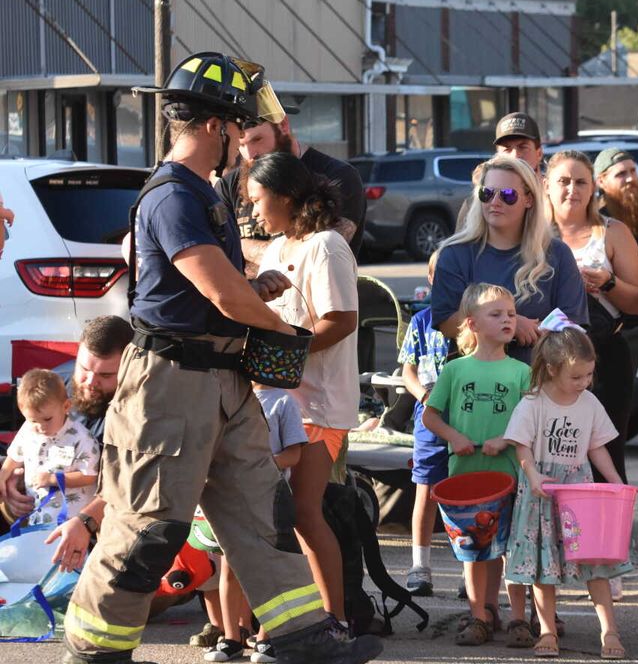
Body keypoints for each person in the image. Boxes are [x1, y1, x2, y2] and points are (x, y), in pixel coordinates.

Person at [64, 52, 380, 664]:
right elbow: (217, 289)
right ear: (216, 126)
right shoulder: (172, 196)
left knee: (263, 509)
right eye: (238, 128)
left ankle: (299, 635)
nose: (243, 142)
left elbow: (224, 285)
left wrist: (254, 289)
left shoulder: (206, 196)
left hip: (224, 380)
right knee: (149, 526)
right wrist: (279, 327)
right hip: (171, 386)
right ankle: (95, 646)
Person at [248, 151, 360, 631]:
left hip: (320, 404)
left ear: (286, 197)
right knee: (275, 515)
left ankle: (335, 620)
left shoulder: (327, 245)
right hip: (277, 401)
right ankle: (276, 622)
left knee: (303, 512)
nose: (254, 211)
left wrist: (291, 351)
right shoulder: (276, 249)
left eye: (258, 200)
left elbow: (342, 320)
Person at [504, 328, 629, 659]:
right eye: (576, 376)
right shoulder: (532, 402)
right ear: (551, 368)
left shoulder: (589, 402)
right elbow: (522, 445)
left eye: (588, 374)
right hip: (542, 493)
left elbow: (597, 446)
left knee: (595, 564)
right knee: (542, 567)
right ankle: (546, 630)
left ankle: (610, 630)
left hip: (579, 495)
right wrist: (532, 475)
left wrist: (614, 480)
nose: (584, 382)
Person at [421, 284, 532, 647]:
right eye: (496, 314)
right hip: (466, 476)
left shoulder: (520, 371)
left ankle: (517, 618)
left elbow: (532, 420)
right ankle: (479, 616)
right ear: (472, 323)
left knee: (509, 547)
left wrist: (510, 439)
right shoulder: (455, 370)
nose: (507, 320)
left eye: (511, 314)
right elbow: (430, 416)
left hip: (508, 474)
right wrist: (454, 436)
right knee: (474, 548)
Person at [543, 149, 638, 483]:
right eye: (563, 181)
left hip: (604, 356)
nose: (572, 189)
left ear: (593, 188)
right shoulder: (534, 234)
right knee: (549, 450)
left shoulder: (612, 231)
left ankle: (608, 531)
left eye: (580, 182)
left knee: (605, 451)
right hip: (546, 355)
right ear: (547, 186)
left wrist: (608, 282)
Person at [432, 156, 587, 365]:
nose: (495, 202)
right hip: (477, 383)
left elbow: (571, 325)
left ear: (529, 199)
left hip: (540, 381)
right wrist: (511, 324)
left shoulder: (557, 254)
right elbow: (446, 323)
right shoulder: (454, 253)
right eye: (487, 193)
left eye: (507, 195)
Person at [216, 62, 365, 275]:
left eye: (257, 139)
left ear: (283, 126)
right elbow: (216, 252)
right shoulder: (229, 185)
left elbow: (320, 255)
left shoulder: (337, 176)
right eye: (240, 145)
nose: (249, 154)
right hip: (248, 305)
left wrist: (243, 245)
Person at [206, 387, 308, 663]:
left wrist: (258, 465)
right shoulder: (225, 397)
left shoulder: (283, 401)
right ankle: (231, 637)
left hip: (267, 496)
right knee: (229, 568)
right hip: (229, 497)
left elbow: (293, 454)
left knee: (268, 568)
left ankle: (267, 637)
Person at [3, 316, 132, 526]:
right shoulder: (54, 385)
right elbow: (29, 438)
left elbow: (124, 489)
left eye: (106, 375)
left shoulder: (137, 410)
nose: (90, 382)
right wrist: (11, 484)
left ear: (128, 368)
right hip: (38, 505)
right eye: (84, 369)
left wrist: (85, 523)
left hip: (102, 516)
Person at [399, 259, 451, 598]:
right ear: (430, 277)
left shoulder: (473, 320)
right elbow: (408, 370)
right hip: (430, 416)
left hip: (467, 415)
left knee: (465, 491)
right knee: (427, 490)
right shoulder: (421, 320)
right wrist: (424, 398)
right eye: (439, 273)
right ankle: (420, 565)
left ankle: (470, 567)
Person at [0, 369, 99, 525]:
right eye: (33, 420)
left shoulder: (81, 438)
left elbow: (89, 475)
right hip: (37, 516)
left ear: (66, 406)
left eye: (47, 419)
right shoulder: (28, 429)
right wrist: (3, 475)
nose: (40, 426)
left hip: (71, 521)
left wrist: (53, 479)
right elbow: (15, 456)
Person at [595, 147, 638, 269]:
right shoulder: (599, 218)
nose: (631, 178)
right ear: (601, 182)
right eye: (621, 174)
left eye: (633, 171)